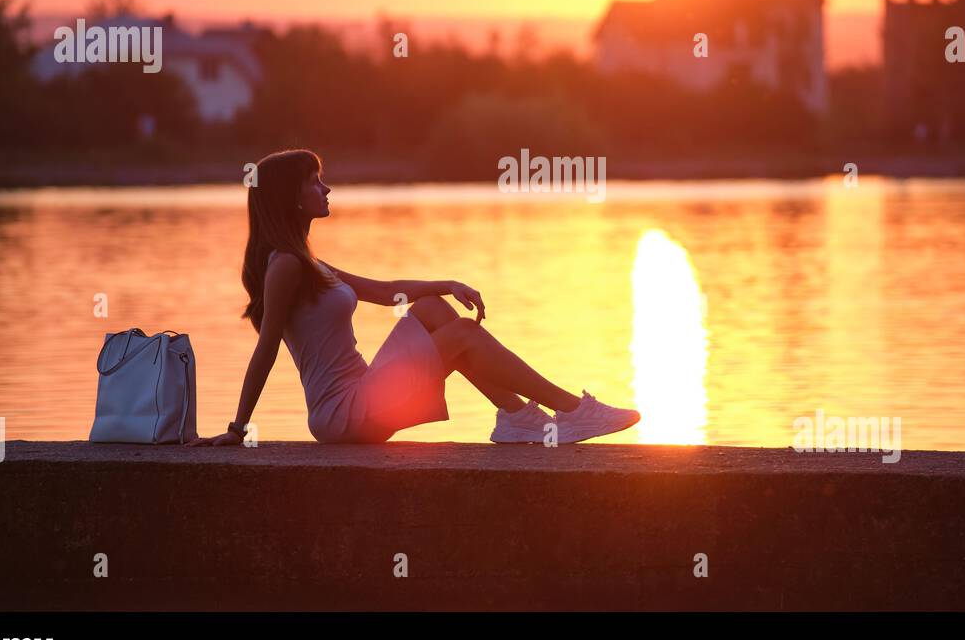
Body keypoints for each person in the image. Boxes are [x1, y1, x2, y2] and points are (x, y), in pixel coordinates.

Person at [188, 148, 640, 448]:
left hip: (362, 394)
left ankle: (518, 418)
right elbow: (266, 348)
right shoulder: (285, 266)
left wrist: (447, 284)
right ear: (292, 198)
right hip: (341, 412)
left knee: (430, 309)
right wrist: (238, 428)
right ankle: (574, 412)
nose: (325, 190)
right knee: (462, 335)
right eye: (315, 182)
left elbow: (386, 293)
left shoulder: (308, 264)